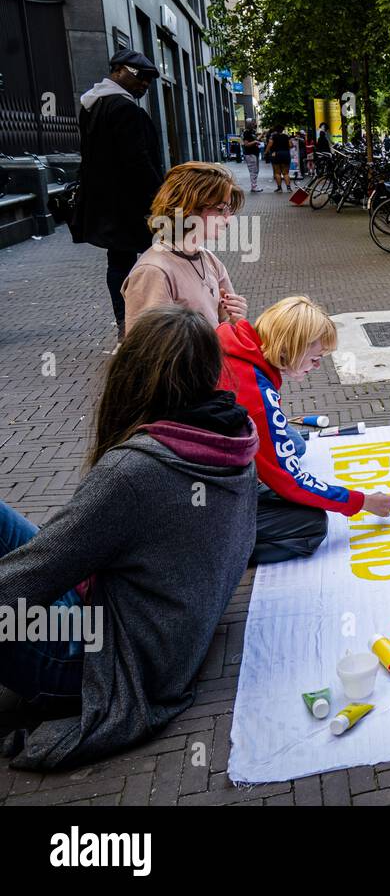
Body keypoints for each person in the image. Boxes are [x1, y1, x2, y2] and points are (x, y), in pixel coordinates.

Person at [0, 306, 258, 770]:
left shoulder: (136, 471)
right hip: (155, 635)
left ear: (132, 373)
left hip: (104, 663)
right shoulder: (233, 437)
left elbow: (32, 576)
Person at [218, 296, 390, 564]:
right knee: (311, 524)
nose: (317, 366)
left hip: (183, 473)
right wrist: (361, 502)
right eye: (314, 358)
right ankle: (217, 554)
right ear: (290, 348)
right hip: (198, 499)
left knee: (295, 445)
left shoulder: (238, 343)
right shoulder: (255, 394)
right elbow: (291, 482)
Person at [69, 49, 165, 341]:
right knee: (145, 259)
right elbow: (137, 160)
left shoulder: (92, 105)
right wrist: (160, 197)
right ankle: (135, 322)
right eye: (142, 79)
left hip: (106, 202)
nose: (144, 86)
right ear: (121, 71)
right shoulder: (123, 109)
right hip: (129, 203)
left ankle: (127, 322)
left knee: (119, 260)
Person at [122, 162, 248, 334]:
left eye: (229, 210)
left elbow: (225, 322)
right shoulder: (153, 272)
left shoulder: (209, 259)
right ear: (189, 209)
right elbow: (149, 351)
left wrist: (236, 318)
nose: (228, 219)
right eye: (221, 209)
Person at [267, 125, 292, 192]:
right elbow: (290, 145)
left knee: (277, 172)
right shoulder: (286, 136)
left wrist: (266, 152)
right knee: (286, 173)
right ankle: (288, 188)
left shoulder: (273, 136)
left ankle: (279, 188)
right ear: (282, 130)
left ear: (275, 130)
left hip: (276, 154)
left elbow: (270, 144)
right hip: (285, 154)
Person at [241, 119, 263, 193]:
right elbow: (246, 144)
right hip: (250, 154)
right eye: (253, 123)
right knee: (253, 171)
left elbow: (255, 140)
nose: (255, 124)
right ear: (249, 124)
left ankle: (254, 186)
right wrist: (255, 142)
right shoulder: (246, 133)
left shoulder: (252, 132)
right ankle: (254, 186)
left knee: (256, 170)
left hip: (254, 153)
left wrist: (261, 136)